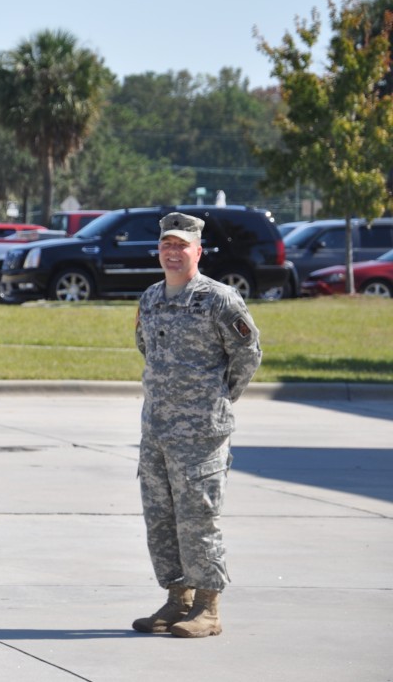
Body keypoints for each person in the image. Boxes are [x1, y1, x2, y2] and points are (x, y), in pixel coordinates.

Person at [131, 212, 262, 639]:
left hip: (201, 435)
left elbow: (247, 354)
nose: (173, 252)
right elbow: (144, 348)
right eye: (167, 245)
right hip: (157, 431)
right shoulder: (150, 298)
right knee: (161, 519)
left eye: (181, 245)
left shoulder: (220, 300)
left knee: (198, 518)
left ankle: (208, 607)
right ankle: (177, 599)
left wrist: (219, 399)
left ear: (198, 251)